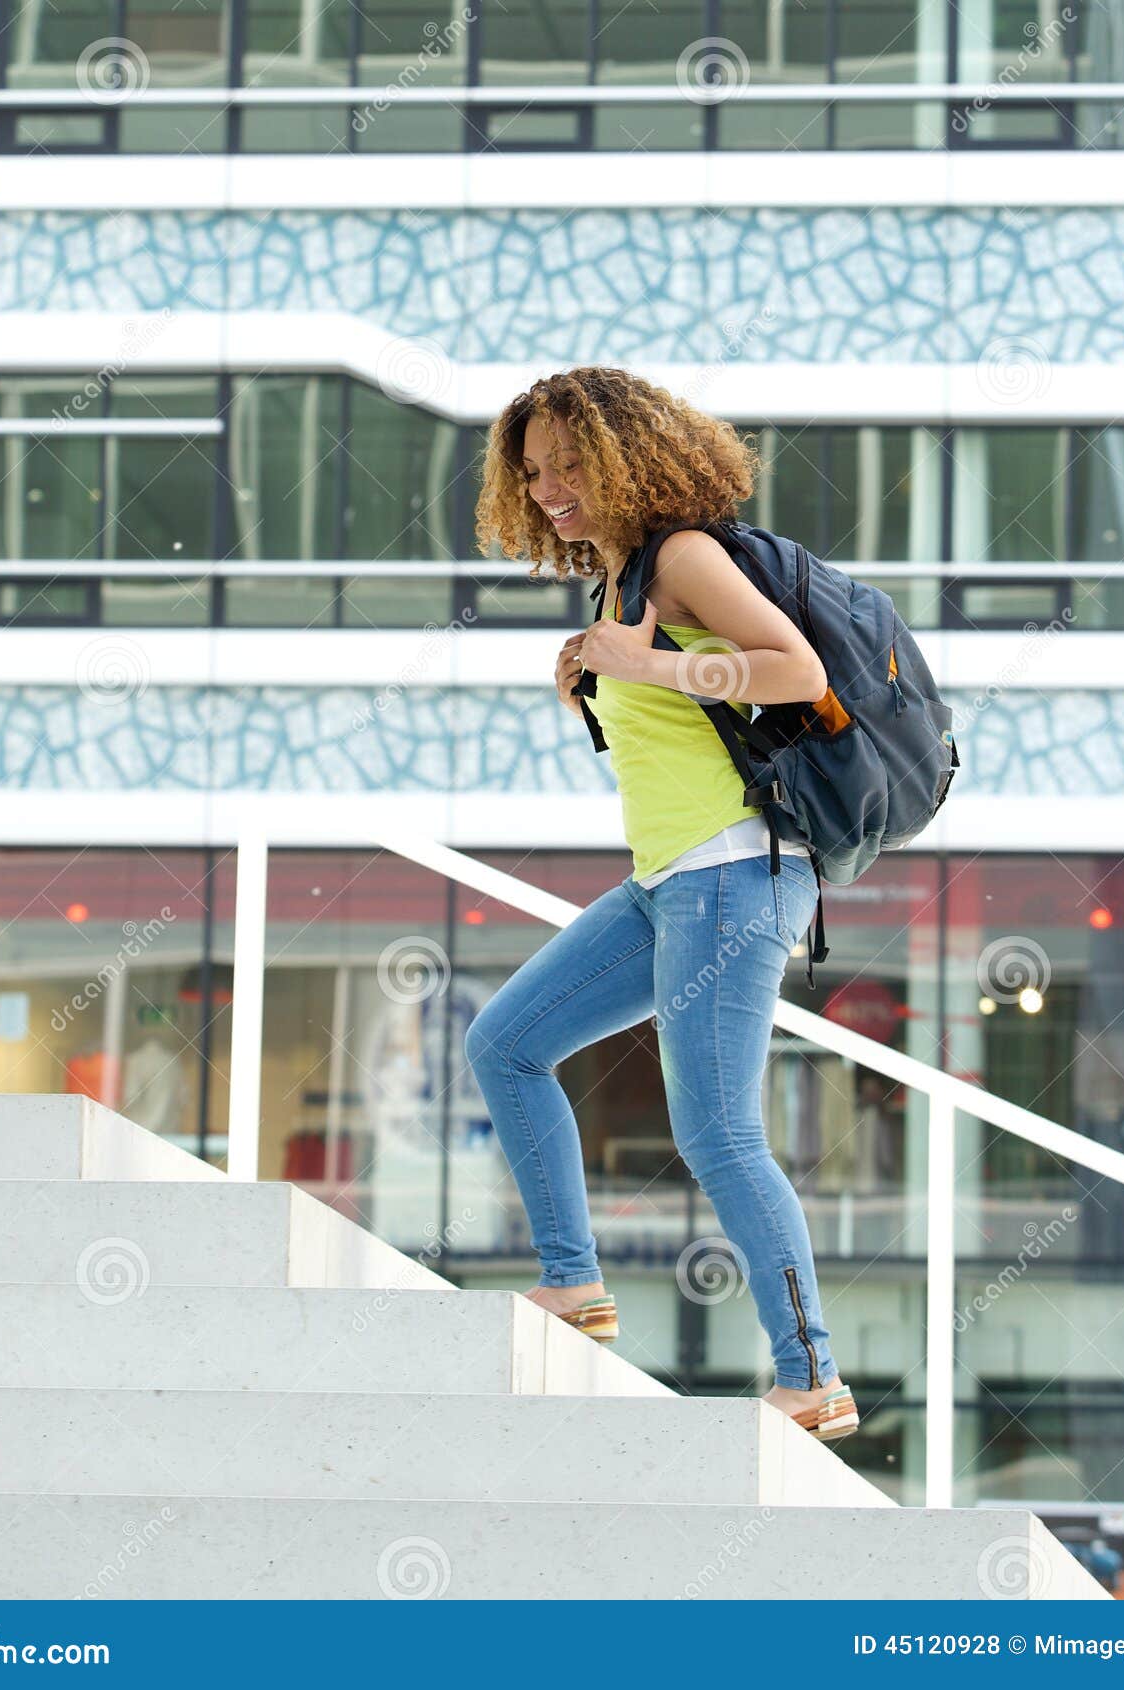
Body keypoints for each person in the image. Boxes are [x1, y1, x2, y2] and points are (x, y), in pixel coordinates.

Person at [463, 365, 857, 1441]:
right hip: (668, 883)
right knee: (503, 1042)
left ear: (629, 454)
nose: (550, 489)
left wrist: (652, 665)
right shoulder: (621, 579)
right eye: (533, 471)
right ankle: (573, 1282)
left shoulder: (684, 555)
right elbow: (674, 711)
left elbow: (796, 671)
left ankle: (811, 1372)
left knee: (718, 1131)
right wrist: (603, 671)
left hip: (736, 874)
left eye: (571, 464)